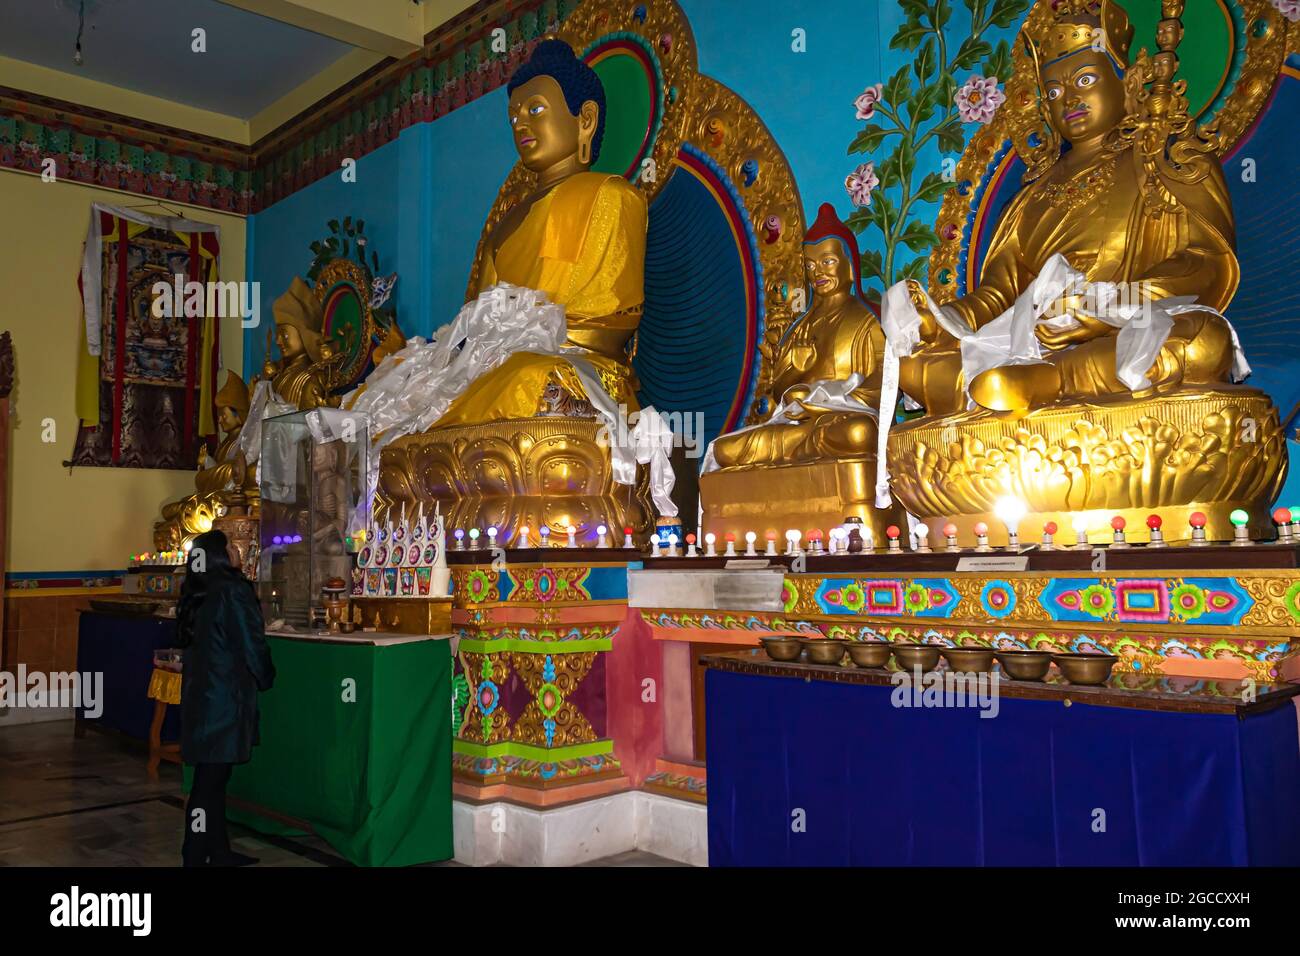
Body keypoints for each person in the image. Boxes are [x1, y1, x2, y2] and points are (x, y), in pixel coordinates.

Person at [174, 529, 275, 867]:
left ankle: (217, 851)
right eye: (230, 546)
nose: (236, 550)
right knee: (208, 783)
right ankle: (193, 853)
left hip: (201, 695)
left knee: (212, 778)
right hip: (224, 699)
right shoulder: (233, 589)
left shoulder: (196, 589)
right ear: (219, 555)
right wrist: (265, 674)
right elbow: (251, 641)